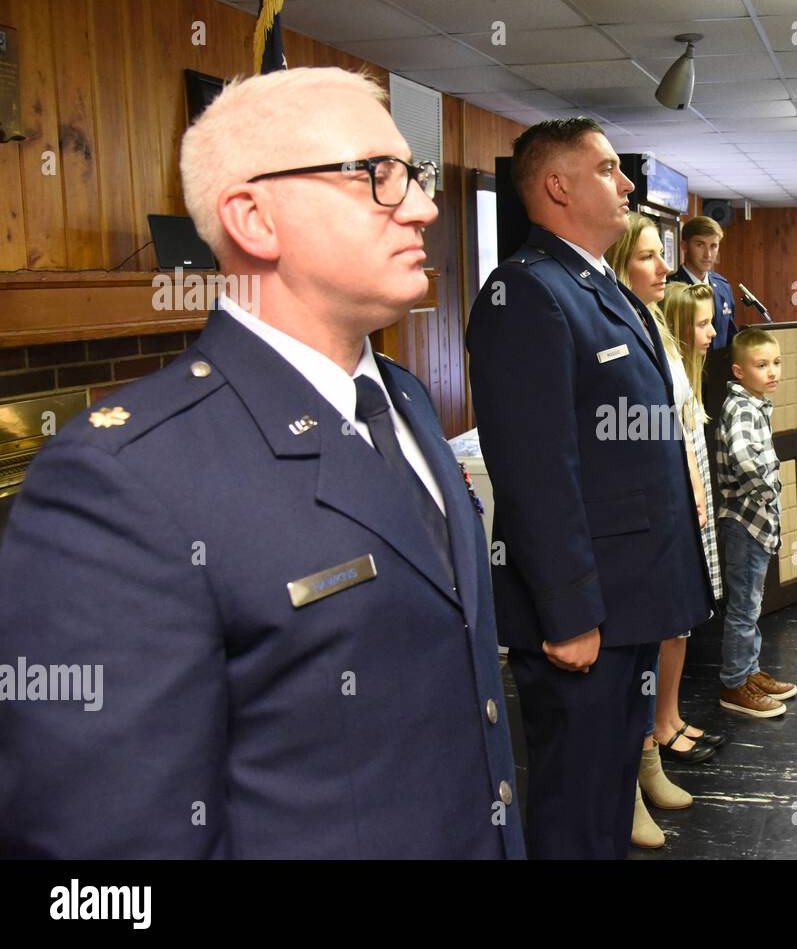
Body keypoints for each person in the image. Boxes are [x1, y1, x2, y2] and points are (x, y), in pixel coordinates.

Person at [0, 67, 524, 859]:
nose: (422, 203)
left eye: (412, 175)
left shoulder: (404, 400)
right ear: (253, 217)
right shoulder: (125, 476)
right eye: (375, 176)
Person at [466, 118, 712, 859]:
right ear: (558, 185)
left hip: (630, 598)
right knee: (576, 807)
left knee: (609, 793)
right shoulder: (528, 293)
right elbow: (538, 469)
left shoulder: (593, 284)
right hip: (585, 615)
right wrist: (570, 613)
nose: (629, 183)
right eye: (609, 169)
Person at [605, 220, 724, 849]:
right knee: (636, 650)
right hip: (640, 513)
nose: (663, 268)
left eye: (663, 255)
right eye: (648, 256)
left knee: (668, 627)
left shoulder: (654, 327)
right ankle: (628, 777)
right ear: (619, 262)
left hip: (675, 498)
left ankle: (649, 758)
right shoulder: (615, 326)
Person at [715, 327, 797, 718]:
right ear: (738, 371)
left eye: (776, 363)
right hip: (746, 524)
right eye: (761, 365)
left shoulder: (755, 402)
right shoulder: (742, 409)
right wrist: (768, 491)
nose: (772, 372)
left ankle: (749, 671)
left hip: (756, 523)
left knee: (752, 603)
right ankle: (734, 683)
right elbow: (744, 458)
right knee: (744, 607)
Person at [669, 215, 738, 349]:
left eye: (713, 246)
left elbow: (730, 337)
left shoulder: (723, 287)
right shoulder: (670, 288)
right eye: (700, 245)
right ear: (684, 246)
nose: (708, 254)